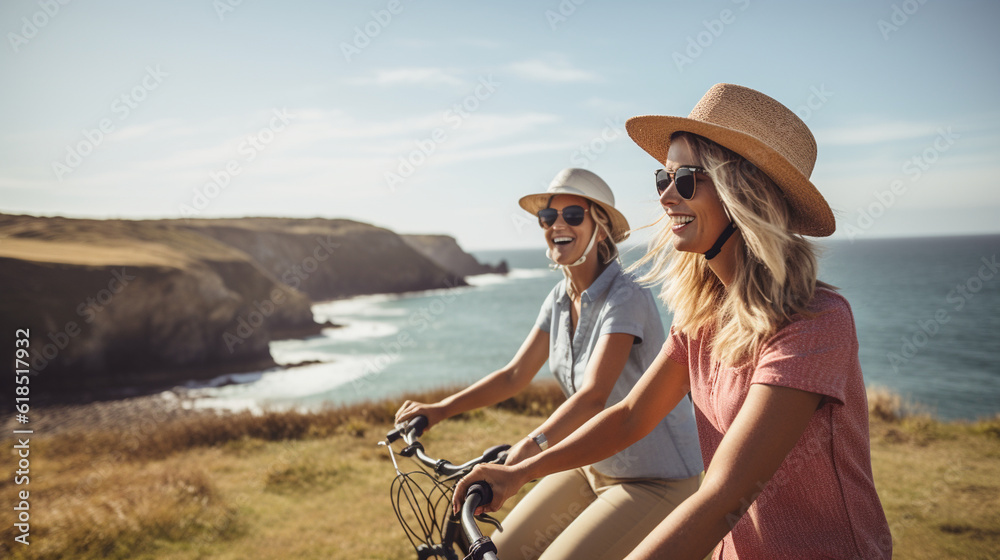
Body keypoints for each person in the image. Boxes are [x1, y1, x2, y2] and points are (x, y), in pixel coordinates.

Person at [454, 84, 893, 559]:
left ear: (743, 191)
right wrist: (519, 471)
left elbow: (725, 495)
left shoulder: (815, 325)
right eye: (662, 179)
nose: (666, 197)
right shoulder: (700, 318)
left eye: (685, 179)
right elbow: (628, 417)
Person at [395, 168, 703, 560]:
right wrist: (440, 410)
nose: (558, 224)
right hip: (588, 464)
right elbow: (514, 375)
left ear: (601, 228)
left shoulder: (626, 297)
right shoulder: (559, 297)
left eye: (573, 215)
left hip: (655, 479)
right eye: (548, 217)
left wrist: (525, 452)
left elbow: (593, 396)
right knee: (497, 552)